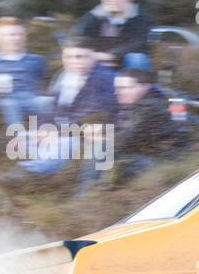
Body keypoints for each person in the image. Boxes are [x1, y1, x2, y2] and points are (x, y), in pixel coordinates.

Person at [14, 37, 116, 176]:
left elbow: (91, 117)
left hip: (82, 136)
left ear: (93, 57)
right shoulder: (66, 76)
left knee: (60, 145)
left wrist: (56, 133)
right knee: (20, 138)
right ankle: (47, 167)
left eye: (81, 57)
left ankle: (30, 171)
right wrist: (43, 129)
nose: (75, 61)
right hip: (61, 131)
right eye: (69, 57)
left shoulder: (102, 79)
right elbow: (53, 111)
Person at [74, 67, 182, 196]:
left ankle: (83, 198)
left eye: (124, 88)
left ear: (144, 86)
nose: (117, 92)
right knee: (100, 152)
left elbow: (126, 139)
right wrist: (100, 129)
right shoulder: (135, 104)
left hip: (163, 164)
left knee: (102, 148)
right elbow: (121, 126)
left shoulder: (152, 107)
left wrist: (102, 138)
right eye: (117, 88)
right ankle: (91, 195)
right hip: (145, 157)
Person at [73, 0, 154, 68]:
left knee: (137, 58)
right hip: (96, 61)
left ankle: (139, 81)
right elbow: (82, 39)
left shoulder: (140, 19)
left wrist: (111, 55)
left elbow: (139, 44)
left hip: (125, 64)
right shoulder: (92, 17)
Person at [0, 17, 46, 129]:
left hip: (30, 97)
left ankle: (46, 136)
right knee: (10, 104)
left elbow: (40, 83)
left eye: (19, 34)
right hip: (3, 99)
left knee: (45, 101)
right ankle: (19, 139)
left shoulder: (36, 60)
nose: (15, 38)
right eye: (10, 35)